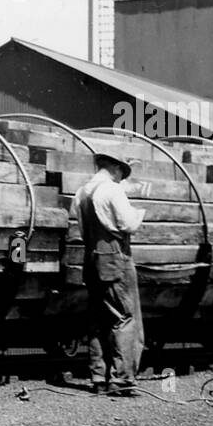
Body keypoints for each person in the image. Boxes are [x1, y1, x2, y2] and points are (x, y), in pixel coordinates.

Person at [71, 153, 145, 396]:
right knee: (124, 317)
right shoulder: (112, 190)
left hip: (91, 259)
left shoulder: (81, 193)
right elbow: (127, 224)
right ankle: (121, 379)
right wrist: (140, 215)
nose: (121, 178)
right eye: (121, 173)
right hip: (115, 258)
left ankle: (98, 378)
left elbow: (83, 230)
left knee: (97, 319)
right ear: (114, 169)